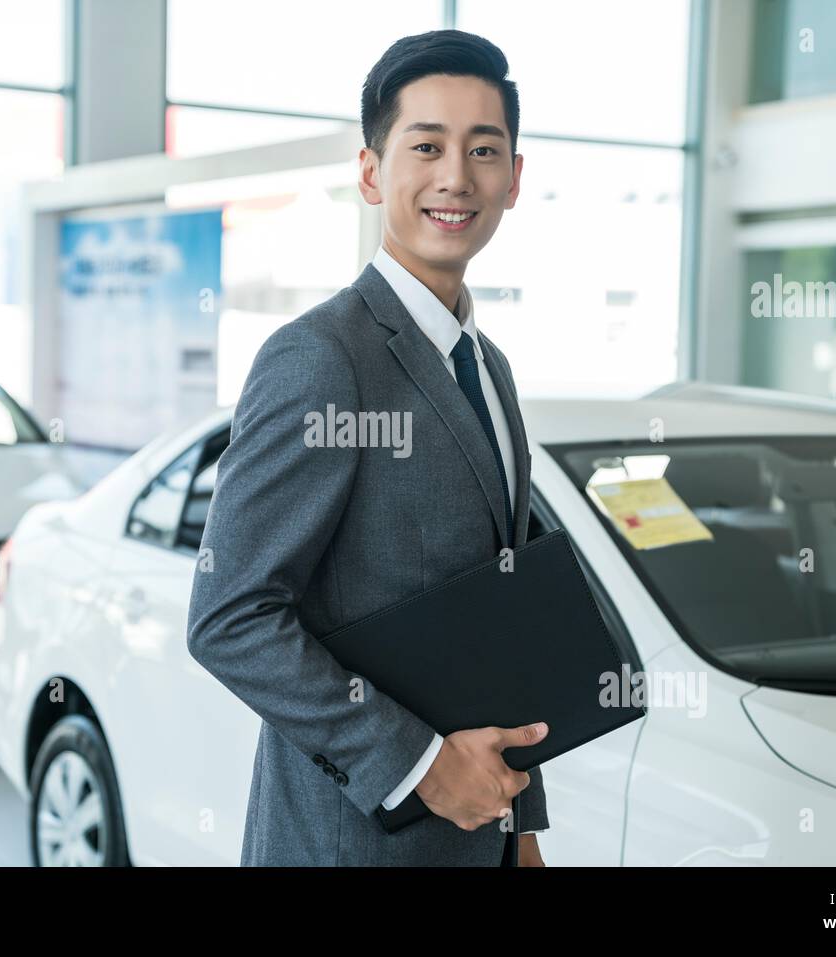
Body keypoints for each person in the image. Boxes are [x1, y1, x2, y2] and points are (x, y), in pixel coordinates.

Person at [186, 29, 548, 867]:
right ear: (371, 171)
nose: (456, 177)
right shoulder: (319, 357)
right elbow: (229, 616)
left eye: (483, 149)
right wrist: (420, 766)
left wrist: (520, 828)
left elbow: (506, 618)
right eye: (426, 145)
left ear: (515, 179)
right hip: (346, 845)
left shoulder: (488, 368)